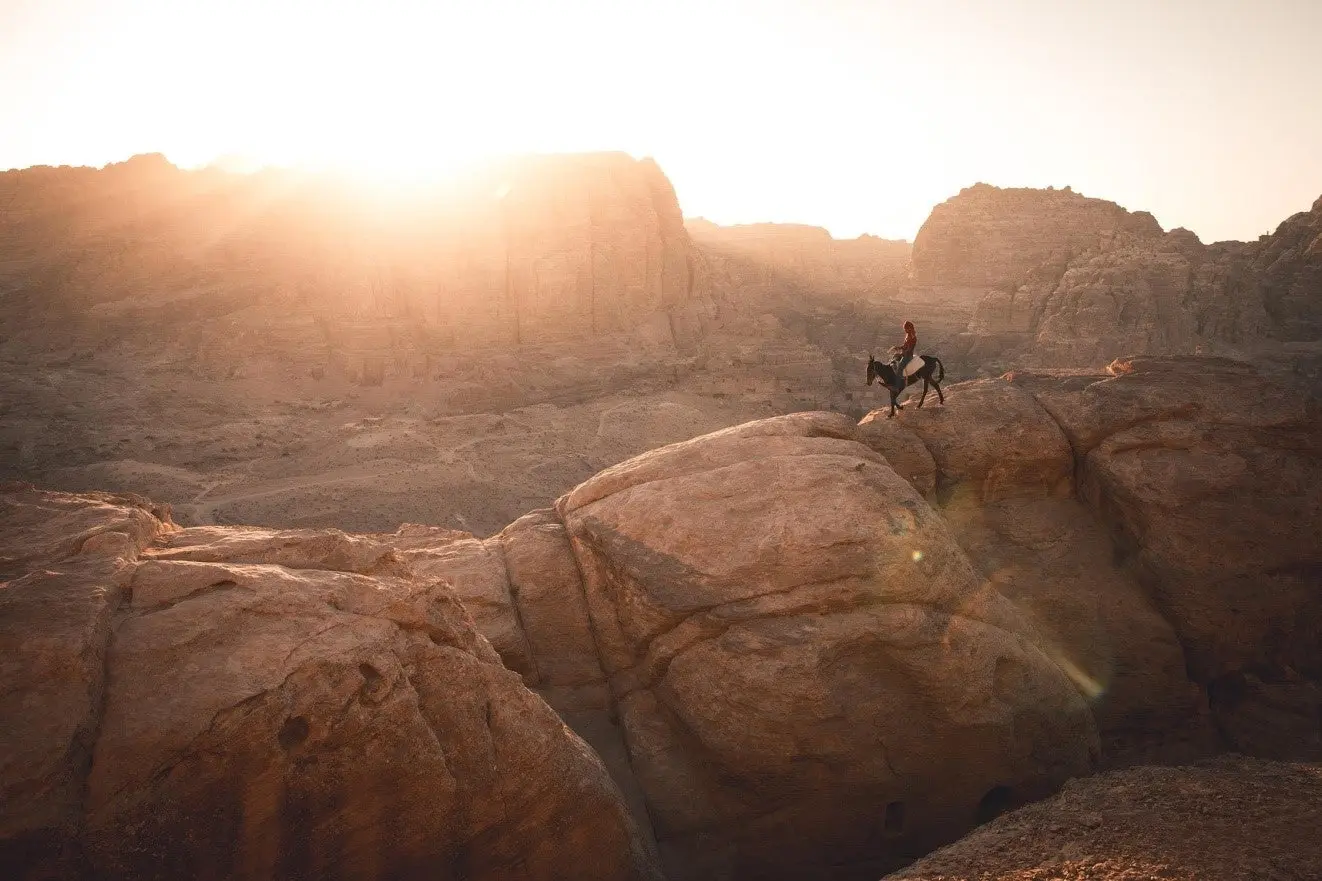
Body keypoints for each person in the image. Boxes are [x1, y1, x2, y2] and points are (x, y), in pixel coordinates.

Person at [892, 321, 917, 390]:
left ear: (909, 328)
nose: (904, 330)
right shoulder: (908, 335)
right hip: (905, 354)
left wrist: (902, 353)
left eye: (905, 328)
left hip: (908, 356)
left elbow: (909, 349)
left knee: (900, 368)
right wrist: (898, 348)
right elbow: (905, 346)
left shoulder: (912, 337)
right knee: (894, 360)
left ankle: (900, 385)